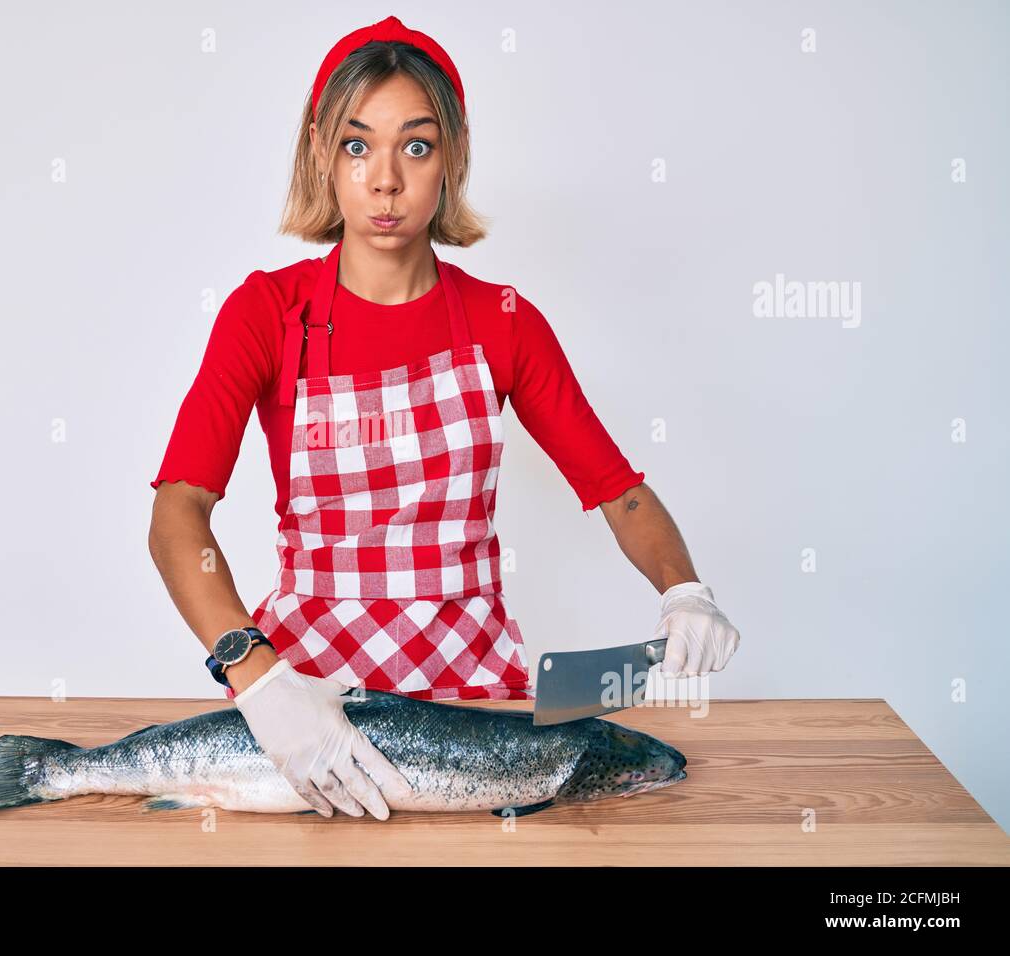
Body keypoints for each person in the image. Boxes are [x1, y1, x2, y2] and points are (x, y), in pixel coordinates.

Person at [148, 16, 740, 821]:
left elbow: (618, 491)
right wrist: (256, 676)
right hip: (305, 697)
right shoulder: (267, 312)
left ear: (452, 159)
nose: (385, 179)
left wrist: (685, 590)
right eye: (358, 146)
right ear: (322, 151)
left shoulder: (502, 320)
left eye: (416, 146)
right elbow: (177, 517)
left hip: (474, 701)